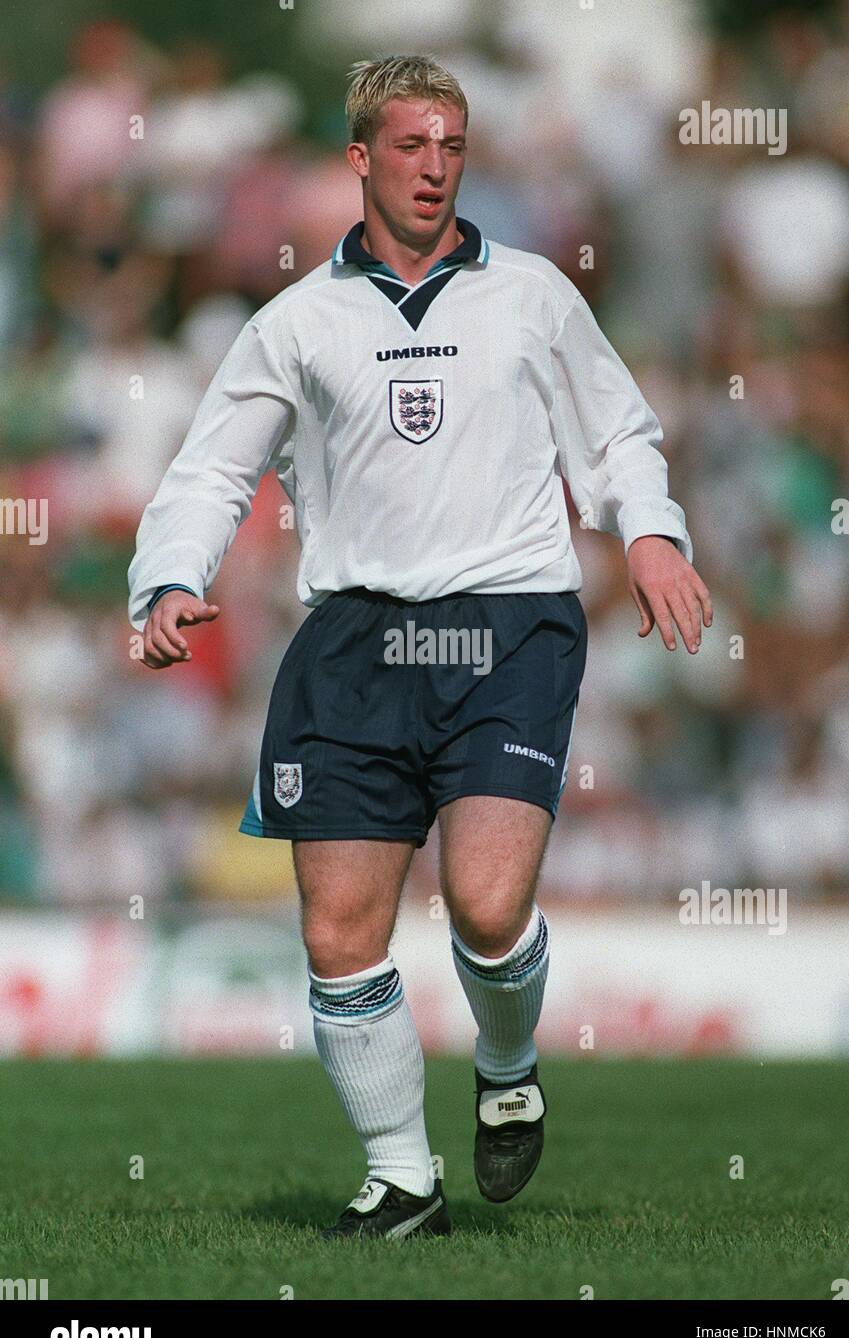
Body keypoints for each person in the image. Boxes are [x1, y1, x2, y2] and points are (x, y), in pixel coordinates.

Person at [128, 54, 711, 1240]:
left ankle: (508, 1064)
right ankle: (404, 1179)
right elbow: (211, 469)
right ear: (359, 158)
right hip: (353, 642)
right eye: (410, 146)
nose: (436, 167)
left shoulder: (535, 293)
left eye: (452, 146)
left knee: (487, 908)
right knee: (341, 932)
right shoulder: (296, 322)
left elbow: (618, 429)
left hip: (508, 625)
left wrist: (649, 531)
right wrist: (170, 579)